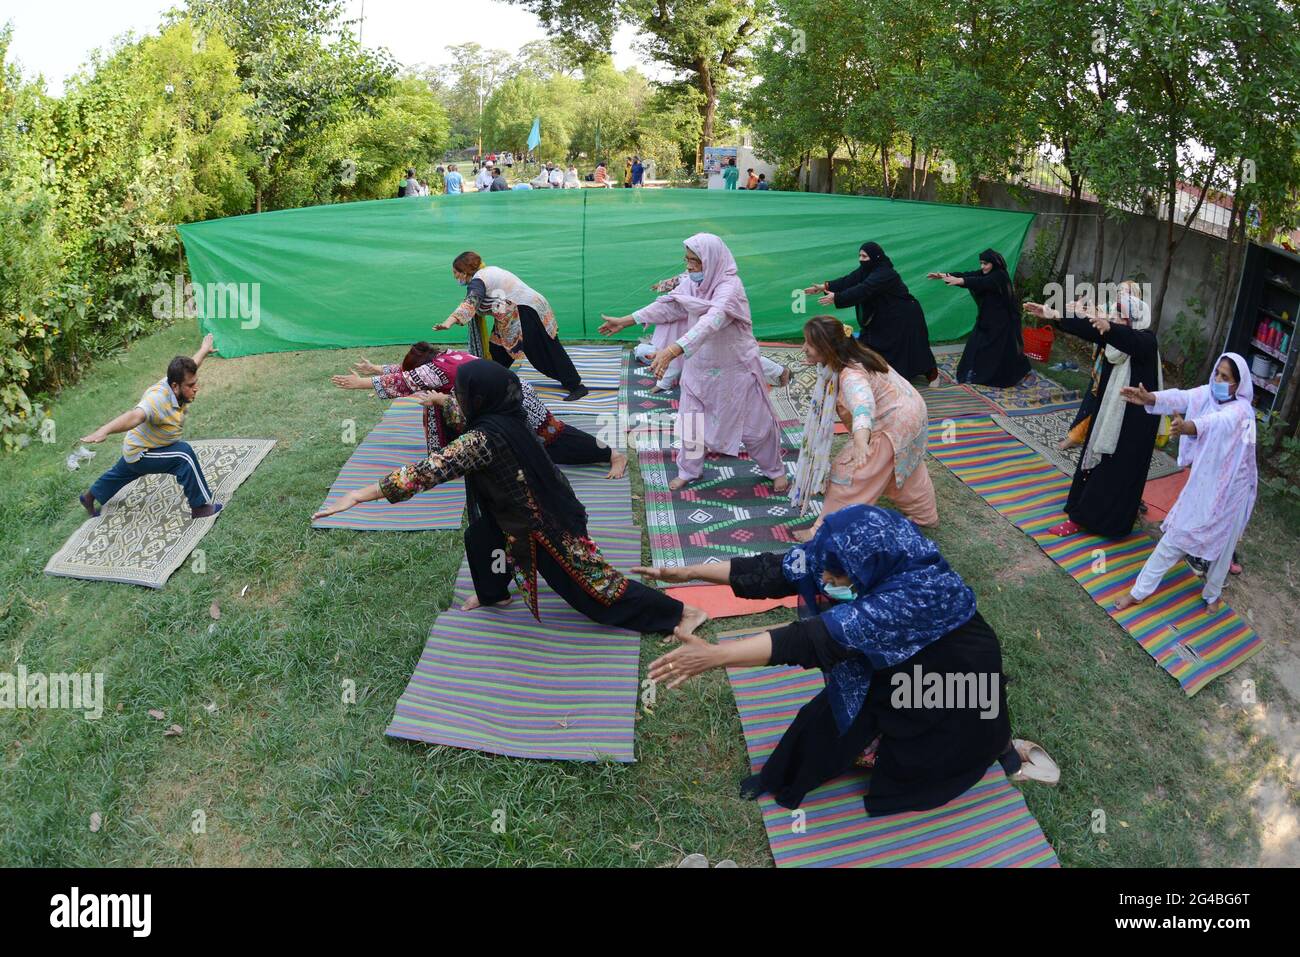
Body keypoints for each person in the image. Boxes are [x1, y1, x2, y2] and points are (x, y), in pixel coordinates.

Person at [635, 505, 1059, 815]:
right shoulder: (850, 547)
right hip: (899, 654)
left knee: (938, 746)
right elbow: (773, 569)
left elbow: (810, 640)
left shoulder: (910, 595)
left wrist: (717, 656)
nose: (824, 583)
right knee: (837, 715)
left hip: (954, 673)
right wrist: (687, 573)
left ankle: (995, 749)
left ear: (865, 569)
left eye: (835, 579)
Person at [314, 361, 707, 634]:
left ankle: (680, 613)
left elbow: (423, 473)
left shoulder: (479, 440)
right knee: (482, 538)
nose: (459, 398)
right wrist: (440, 400)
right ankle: (492, 596)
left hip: (543, 521)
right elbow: (462, 411)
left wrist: (357, 495)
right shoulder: (511, 410)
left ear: (477, 398)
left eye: (461, 393)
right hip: (517, 505)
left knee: (593, 589)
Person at [598, 233, 788, 493]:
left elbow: (713, 320)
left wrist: (672, 351)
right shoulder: (690, 284)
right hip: (699, 367)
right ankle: (689, 470)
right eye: (686, 259)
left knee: (757, 429)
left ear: (711, 261)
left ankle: (775, 469)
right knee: (690, 425)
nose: (688, 266)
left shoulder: (730, 287)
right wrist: (627, 319)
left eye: (694, 261)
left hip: (736, 370)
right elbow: (669, 307)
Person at [332, 342, 626, 478]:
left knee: (551, 439)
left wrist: (362, 382)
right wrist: (378, 369)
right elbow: (409, 373)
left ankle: (611, 454)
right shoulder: (445, 356)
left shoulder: (433, 370)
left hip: (516, 399)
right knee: (530, 445)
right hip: (502, 399)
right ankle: (451, 459)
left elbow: (405, 380)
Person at [1114, 354, 1257, 612]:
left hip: (1237, 488)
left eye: (1226, 378)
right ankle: (1139, 591)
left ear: (1238, 385)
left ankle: (1212, 593)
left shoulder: (1242, 412)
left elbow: (1217, 422)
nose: (1218, 380)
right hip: (1207, 482)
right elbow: (1182, 397)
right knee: (1178, 535)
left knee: (1225, 545)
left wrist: (1189, 426)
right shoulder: (1208, 395)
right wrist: (1151, 399)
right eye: (1217, 373)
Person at [1023, 292, 1162, 537]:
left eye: (1121, 314)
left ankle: (1098, 521)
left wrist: (1110, 326)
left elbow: (1129, 338)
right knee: (1097, 458)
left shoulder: (1146, 342)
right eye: (1115, 313)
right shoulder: (1114, 342)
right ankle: (1082, 512)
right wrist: (1053, 315)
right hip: (1111, 415)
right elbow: (1089, 330)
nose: (1115, 318)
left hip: (1134, 427)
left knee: (1117, 470)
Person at [789, 316, 937, 540]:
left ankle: (822, 534)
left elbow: (862, 405)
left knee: (848, 474)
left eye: (809, 344)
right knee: (904, 467)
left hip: (891, 423)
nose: (804, 348)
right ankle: (926, 516)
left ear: (827, 348)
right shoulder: (853, 355)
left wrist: (860, 442)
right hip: (911, 412)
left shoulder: (851, 375)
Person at [78, 334, 224, 520]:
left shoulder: (178, 382)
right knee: (183, 455)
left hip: (140, 446)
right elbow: (134, 416)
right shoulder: (157, 399)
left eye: (196, 383)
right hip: (143, 451)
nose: (196, 388)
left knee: (121, 473)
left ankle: (89, 497)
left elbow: (193, 366)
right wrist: (104, 430)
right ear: (175, 386)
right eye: (191, 385)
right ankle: (199, 507)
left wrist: (204, 350)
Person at [435, 250, 588, 401]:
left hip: (525, 311)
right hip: (512, 313)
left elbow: (470, 303)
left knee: (544, 352)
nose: (455, 276)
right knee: (497, 350)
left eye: (455, 272)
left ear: (464, 272)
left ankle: (576, 386)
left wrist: (449, 322)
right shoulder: (485, 274)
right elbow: (497, 304)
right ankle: (490, 386)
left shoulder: (478, 281)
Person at [805, 241, 938, 383]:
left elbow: (864, 289)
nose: (861, 259)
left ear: (876, 257)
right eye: (860, 256)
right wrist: (823, 287)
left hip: (904, 316)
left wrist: (838, 297)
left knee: (906, 348)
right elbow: (848, 281)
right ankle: (884, 373)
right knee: (874, 345)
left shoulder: (885, 273)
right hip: (885, 315)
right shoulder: (866, 270)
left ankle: (924, 372)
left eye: (865, 256)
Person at [929, 249, 1031, 387]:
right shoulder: (985, 272)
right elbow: (968, 275)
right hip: (986, 319)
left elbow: (980, 283)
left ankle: (1010, 374)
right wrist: (943, 275)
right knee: (974, 347)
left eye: (986, 263)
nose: (983, 267)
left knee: (999, 351)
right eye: (981, 263)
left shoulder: (999, 276)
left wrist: (960, 281)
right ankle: (973, 374)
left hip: (1002, 322)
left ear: (994, 263)